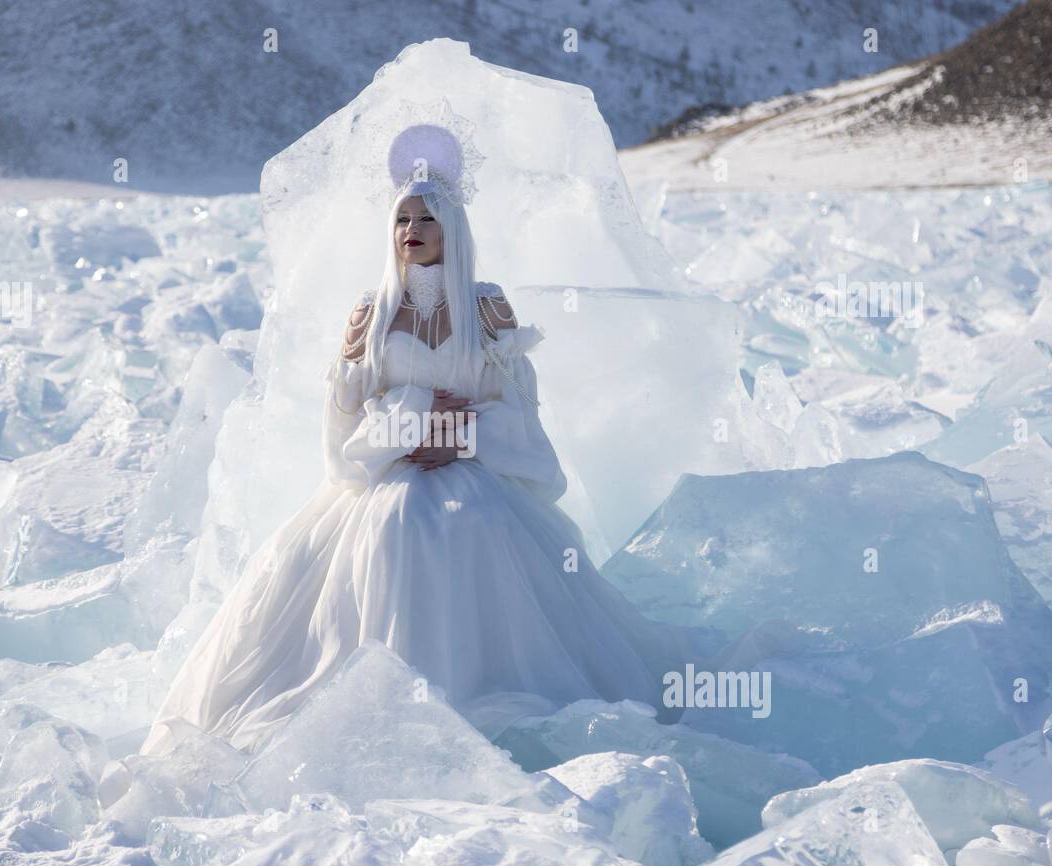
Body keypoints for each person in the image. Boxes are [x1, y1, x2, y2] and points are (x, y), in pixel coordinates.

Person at [140, 121, 687, 758]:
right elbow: (344, 422)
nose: (411, 231)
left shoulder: (488, 308)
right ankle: (375, 708)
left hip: (475, 471)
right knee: (394, 527)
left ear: (452, 227)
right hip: (385, 474)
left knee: (468, 519)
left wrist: (458, 433)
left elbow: (519, 412)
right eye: (402, 220)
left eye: (425, 218)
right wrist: (414, 413)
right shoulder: (369, 312)